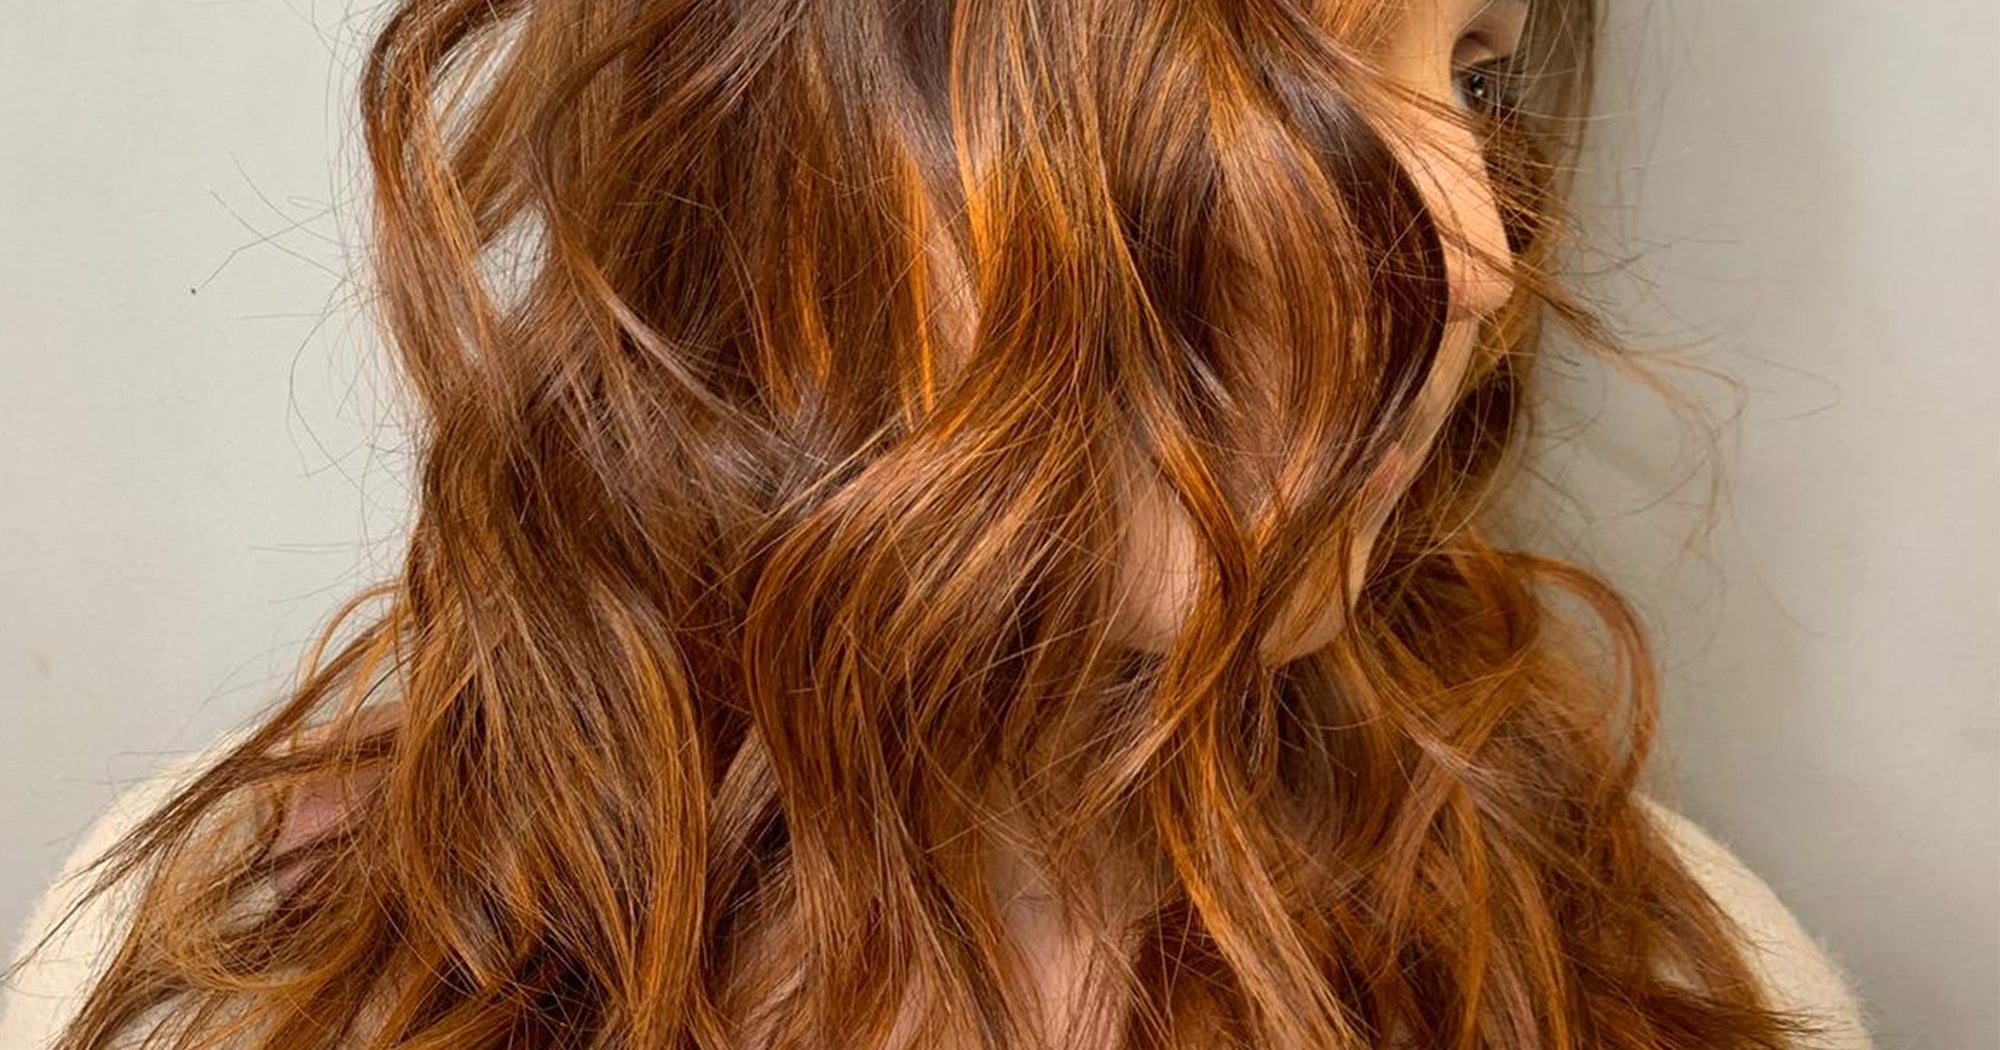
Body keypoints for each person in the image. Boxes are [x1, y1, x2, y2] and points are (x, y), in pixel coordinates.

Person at [1, 0, 1875, 1047]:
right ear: (785, 109)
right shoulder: (236, 978)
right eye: (1278, 71)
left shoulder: (1649, 969)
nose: (1481, 254)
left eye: (1477, 71)